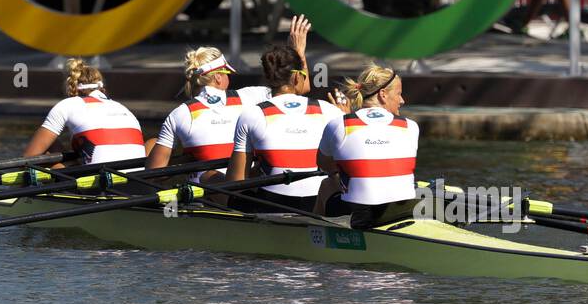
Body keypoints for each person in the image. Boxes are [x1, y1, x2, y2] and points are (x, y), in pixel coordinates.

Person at [145, 16, 311, 181]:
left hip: (209, 192)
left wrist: (182, 162)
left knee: (152, 144)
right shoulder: (248, 98)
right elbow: (301, 87)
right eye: (226, 73)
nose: (228, 77)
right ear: (218, 77)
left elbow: (154, 174)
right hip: (242, 190)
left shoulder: (180, 113)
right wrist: (298, 54)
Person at [227, 36, 340, 213]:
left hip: (273, 204)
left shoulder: (252, 114)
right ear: (296, 77)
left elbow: (235, 183)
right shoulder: (330, 111)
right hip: (319, 204)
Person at [317, 65, 419, 229]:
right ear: (383, 94)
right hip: (402, 212)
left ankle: (315, 236)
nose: (402, 100)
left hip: (361, 216)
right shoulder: (411, 127)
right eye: (399, 94)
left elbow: (325, 166)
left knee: (327, 184)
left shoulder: (338, 124)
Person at [22, 59, 146, 166]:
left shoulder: (67, 104)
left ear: (71, 88)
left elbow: (29, 157)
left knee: (49, 143)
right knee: (152, 142)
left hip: (99, 184)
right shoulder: (121, 107)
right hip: (138, 181)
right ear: (102, 89)